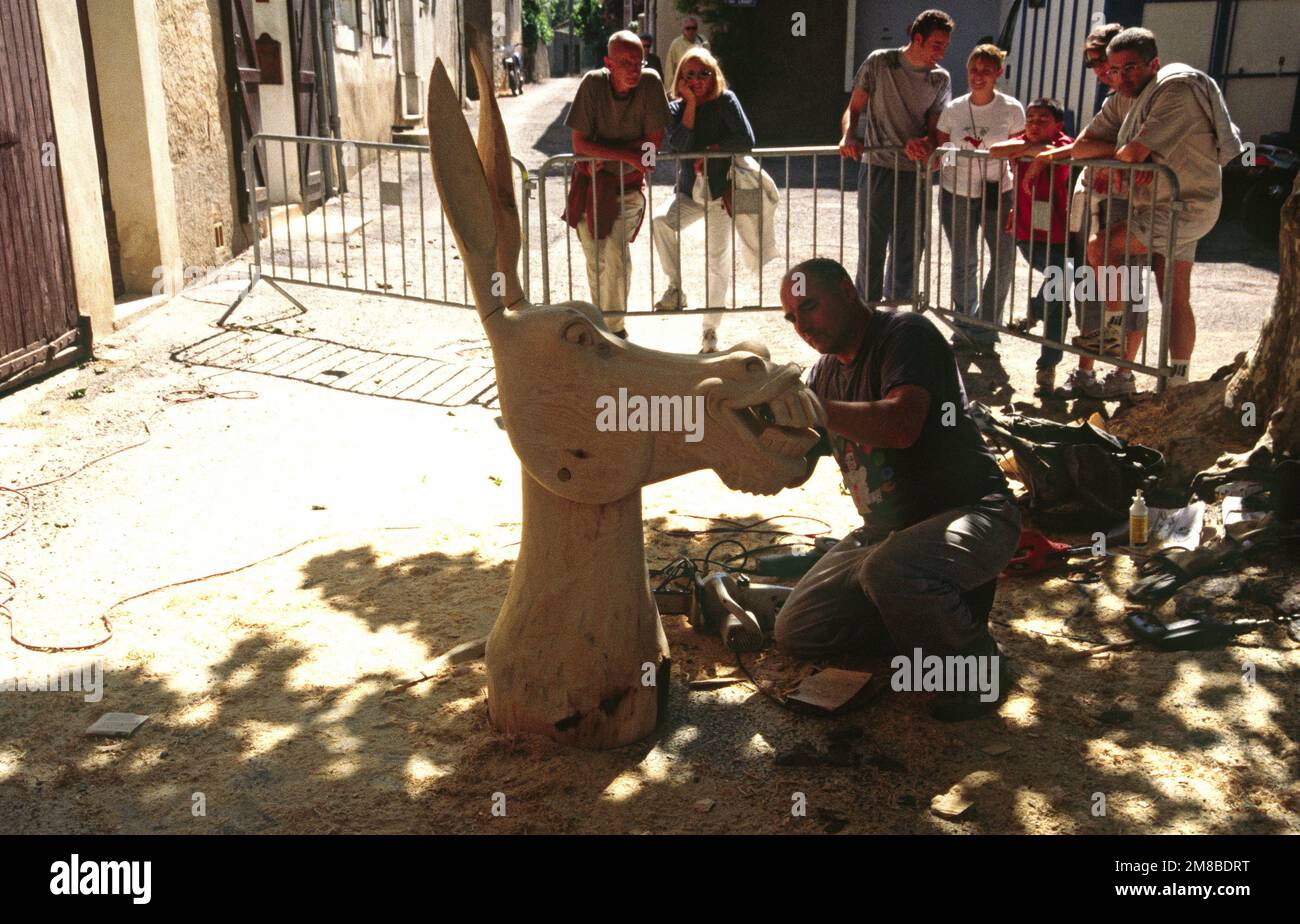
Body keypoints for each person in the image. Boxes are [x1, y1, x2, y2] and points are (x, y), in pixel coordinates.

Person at [772, 258, 1021, 720]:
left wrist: (813, 411)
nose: (802, 325)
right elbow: (795, 467)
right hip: (886, 534)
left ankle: (980, 665)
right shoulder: (822, 374)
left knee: (890, 571)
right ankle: (921, 626)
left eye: (809, 306)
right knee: (797, 631)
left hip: (973, 514)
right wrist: (754, 446)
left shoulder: (906, 334)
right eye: (792, 317)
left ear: (848, 291)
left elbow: (901, 424)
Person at [1064, 26, 1241, 393]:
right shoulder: (1124, 98)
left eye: (1129, 68)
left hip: (1187, 206)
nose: (1118, 76)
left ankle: (1113, 339)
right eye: (1112, 69)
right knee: (1174, 293)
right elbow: (1082, 147)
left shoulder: (1176, 89)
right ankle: (1176, 383)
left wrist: (1131, 158)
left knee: (1104, 247)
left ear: (1153, 64)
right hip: (1166, 204)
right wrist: (1129, 158)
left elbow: (1130, 153)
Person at [1025, 23, 1144, 398]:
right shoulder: (1112, 100)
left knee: (1129, 293)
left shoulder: (1143, 99)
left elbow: (1127, 149)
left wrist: (1100, 152)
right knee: (1091, 293)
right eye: (1092, 62)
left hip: (1127, 209)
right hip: (1093, 206)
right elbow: (1084, 146)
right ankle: (1085, 373)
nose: (1099, 70)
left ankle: (1123, 374)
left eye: (1102, 60)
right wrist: (1054, 155)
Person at [562, 31, 670, 339]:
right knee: (595, 259)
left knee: (615, 254)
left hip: (627, 189)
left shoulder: (650, 84)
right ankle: (602, 324)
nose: (633, 69)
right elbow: (579, 143)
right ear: (608, 63)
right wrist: (626, 153)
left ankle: (615, 330)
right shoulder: (593, 85)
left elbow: (649, 152)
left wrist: (603, 152)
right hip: (590, 188)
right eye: (625, 62)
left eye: (638, 61)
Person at [840, 9, 953, 304]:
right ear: (918, 39)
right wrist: (849, 135)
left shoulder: (940, 79)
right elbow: (854, 108)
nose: (941, 53)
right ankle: (866, 310)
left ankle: (895, 311)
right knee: (872, 244)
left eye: (945, 46)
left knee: (911, 245)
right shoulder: (880, 62)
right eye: (937, 45)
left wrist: (926, 144)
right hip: (878, 166)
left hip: (915, 172)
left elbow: (936, 130)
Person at [651, 48, 756, 353]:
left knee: (717, 260)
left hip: (722, 193)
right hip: (689, 192)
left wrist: (712, 151)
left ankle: (710, 330)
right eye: (689, 74)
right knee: (661, 222)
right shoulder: (676, 108)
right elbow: (678, 144)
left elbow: (747, 140)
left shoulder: (727, 101)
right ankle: (676, 288)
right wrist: (692, 104)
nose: (696, 80)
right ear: (680, 78)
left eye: (703, 73)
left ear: (714, 74)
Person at [934, 44, 1023, 354]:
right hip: (956, 192)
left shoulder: (1012, 109)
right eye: (974, 70)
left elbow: (1019, 154)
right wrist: (946, 170)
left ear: (998, 73)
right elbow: (943, 147)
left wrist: (1020, 199)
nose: (979, 76)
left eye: (986, 71)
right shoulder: (954, 108)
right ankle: (964, 324)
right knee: (964, 261)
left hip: (998, 192)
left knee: (1002, 259)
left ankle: (987, 325)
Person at [990, 97, 1075, 396]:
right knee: (1061, 283)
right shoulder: (1023, 140)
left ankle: (1046, 365)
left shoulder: (1065, 142)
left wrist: (1038, 156)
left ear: (1058, 125)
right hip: (1028, 233)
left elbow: (1061, 152)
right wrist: (1031, 151)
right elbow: (994, 150)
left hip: (1063, 234)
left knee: (1059, 293)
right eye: (1030, 119)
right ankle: (1041, 326)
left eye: (1043, 120)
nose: (1034, 124)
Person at [665, 16, 707, 97]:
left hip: (700, 87)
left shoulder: (703, 42)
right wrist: (670, 92)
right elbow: (669, 69)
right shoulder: (676, 45)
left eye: (693, 28)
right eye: (688, 28)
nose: (691, 31)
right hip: (683, 89)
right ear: (683, 30)